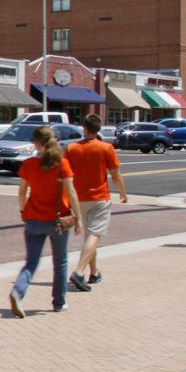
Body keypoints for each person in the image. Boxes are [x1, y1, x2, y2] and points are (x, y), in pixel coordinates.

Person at [9, 125, 83, 318]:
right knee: (60, 262)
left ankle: (18, 291)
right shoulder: (62, 164)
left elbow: (22, 192)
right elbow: (72, 192)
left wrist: (23, 210)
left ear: (36, 142)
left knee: (31, 262)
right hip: (58, 219)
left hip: (33, 218)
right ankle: (59, 302)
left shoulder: (28, 164)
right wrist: (78, 217)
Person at [66, 113, 127, 290]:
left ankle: (94, 272)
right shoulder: (106, 148)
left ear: (84, 128)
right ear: (98, 129)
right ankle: (79, 272)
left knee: (89, 237)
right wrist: (123, 192)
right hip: (100, 198)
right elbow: (116, 175)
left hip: (79, 199)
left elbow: (65, 175)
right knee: (95, 235)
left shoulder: (72, 149)